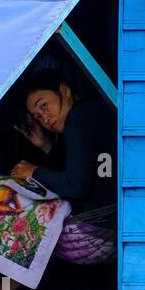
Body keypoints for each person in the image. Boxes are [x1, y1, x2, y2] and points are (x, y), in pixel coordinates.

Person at [10, 68, 115, 213]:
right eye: (38, 117)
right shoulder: (90, 112)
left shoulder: (78, 117)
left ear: (65, 91)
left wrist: (34, 172)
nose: (45, 118)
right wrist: (46, 146)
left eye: (44, 106)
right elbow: (80, 172)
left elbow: (75, 186)